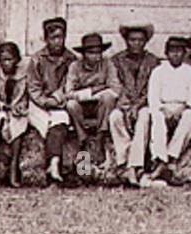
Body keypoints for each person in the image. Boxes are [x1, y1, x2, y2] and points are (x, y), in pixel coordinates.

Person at [26, 17, 78, 186]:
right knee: (48, 125)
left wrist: (58, 99)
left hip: (60, 104)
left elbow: (69, 84)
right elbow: (33, 88)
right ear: (46, 39)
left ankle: (54, 167)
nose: (57, 42)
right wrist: (46, 101)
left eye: (60, 37)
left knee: (60, 121)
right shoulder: (37, 59)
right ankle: (58, 169)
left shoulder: (71, 59)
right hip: (39, 104)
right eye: (53, 38)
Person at [149, 34, 191, 184]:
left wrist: (184, 107)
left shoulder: (190, 72)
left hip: (182, 107)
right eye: (172, 51)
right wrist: (163, 109)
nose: (176, 54)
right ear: (166, 53)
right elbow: (153, 96)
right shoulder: (158, 71)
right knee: (157, 118)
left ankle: (172, 157)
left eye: (179, 51)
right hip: (164, 107)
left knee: (190, 115)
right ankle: (160, 159)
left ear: (185, 53)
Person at [108, 24, 160, 187]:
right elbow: (116, 85)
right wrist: (126, 107)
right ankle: (123, 162)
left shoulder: (153, 61)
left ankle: (133, 166)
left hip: (145, 103)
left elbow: (153, 88)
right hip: (123, 103)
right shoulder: (116, 61)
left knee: (144, 117)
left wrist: (137, 106)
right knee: (115, 117)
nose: (136, 44)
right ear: (126, 41)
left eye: (140, 40)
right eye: (132, 40)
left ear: (145, 42)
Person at [64, 33, 121, 178]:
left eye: (98, 52)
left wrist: (90, 93)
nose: (96, 56)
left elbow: (115, 89)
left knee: (108, 98)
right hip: (82, 108)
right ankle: (83, 140)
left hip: (100, 107)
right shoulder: (75, 66)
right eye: (91, 52)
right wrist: (94, 90)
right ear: (84, 54)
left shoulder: (108, 64)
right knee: (71, 105)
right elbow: (69, 93)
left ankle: (100, 137)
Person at [0, 42, 30, 188]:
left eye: (10, 60)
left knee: (18, 123)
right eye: (3, 60)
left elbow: (28, 95)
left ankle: (14, 168)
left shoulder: (23, 76)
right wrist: (2, 106)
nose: (7, 63)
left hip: (16, 110)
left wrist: (20, 106)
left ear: (17, 60)